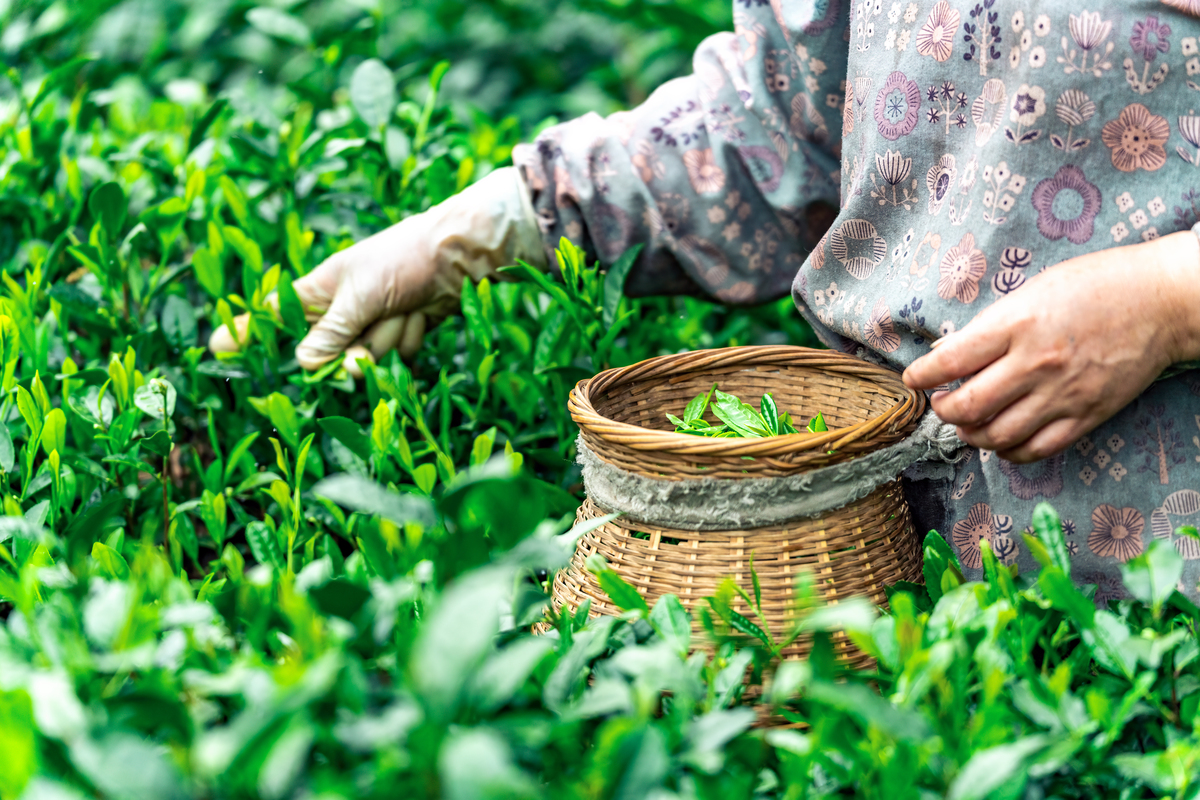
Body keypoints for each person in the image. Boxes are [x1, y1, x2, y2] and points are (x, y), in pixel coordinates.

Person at [212, 0, 1200, 596]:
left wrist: (1169, 298)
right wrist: (484, 227)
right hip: (866, 557)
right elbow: (780, 117)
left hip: (1152, 608)